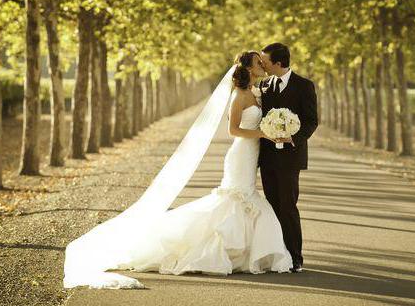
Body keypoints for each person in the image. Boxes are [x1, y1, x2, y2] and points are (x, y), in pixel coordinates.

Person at [63, 51, 292, 289]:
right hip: (241, 154)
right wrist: (264, 133)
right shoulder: (239, 96)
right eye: (258, 63)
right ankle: (212, 250)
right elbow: (233, 130)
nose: (262, 65)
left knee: (244, 201)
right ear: (247, 68)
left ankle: (242, 253)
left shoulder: (256, 93)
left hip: (253, 153)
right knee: (236, 199)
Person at [258, 43, 319, 273]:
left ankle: (295, 257)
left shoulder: (304, 86)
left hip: (291, 157)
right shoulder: (264, 85)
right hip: (268, 158)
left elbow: (312, 121)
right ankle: (277, 255)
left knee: (288, 206)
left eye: (265, 61)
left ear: (278, 63)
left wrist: (293, 137)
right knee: (272, 206)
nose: (262, 65)